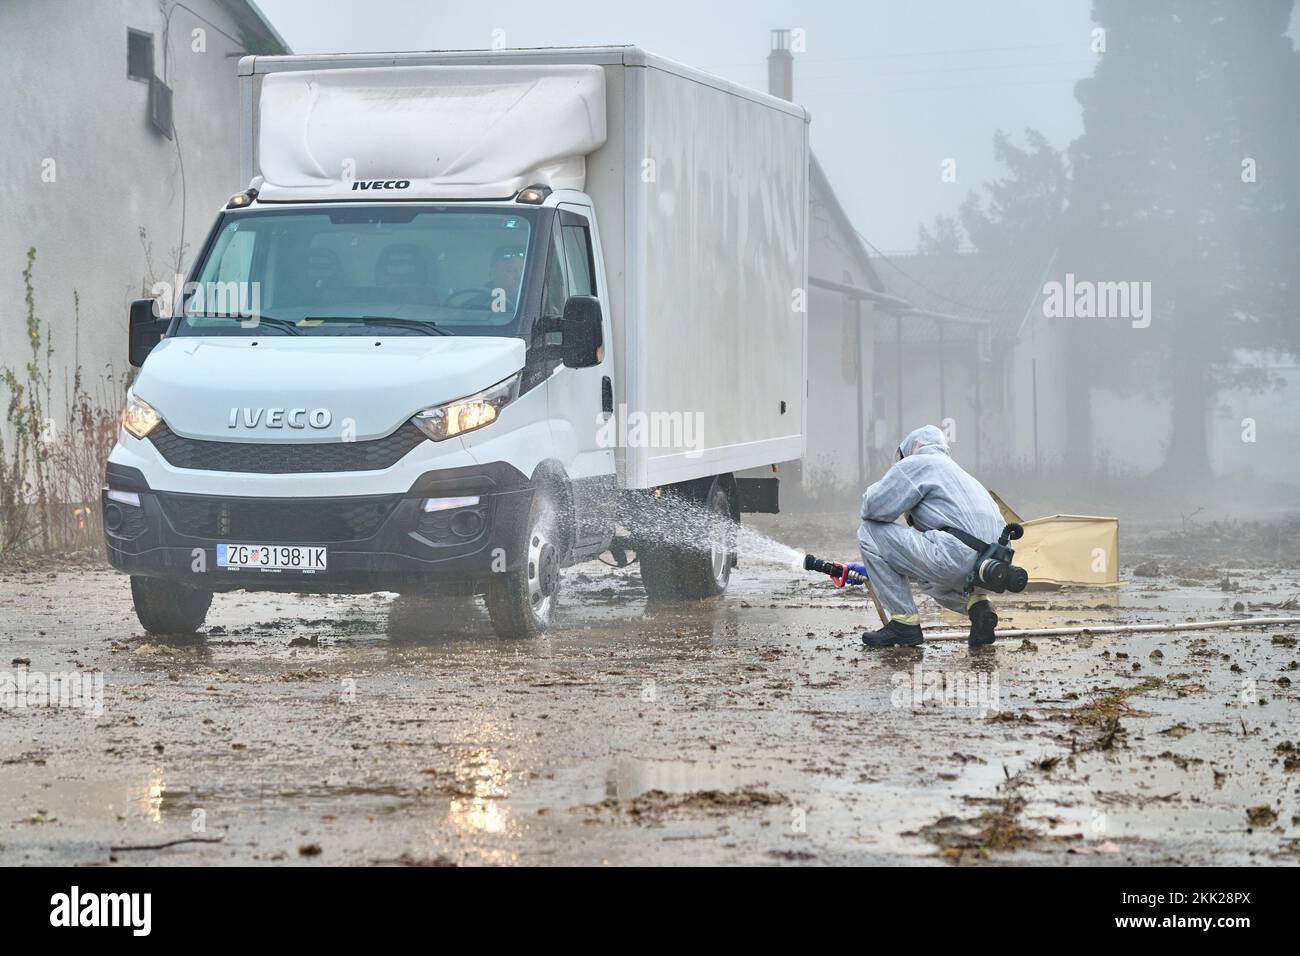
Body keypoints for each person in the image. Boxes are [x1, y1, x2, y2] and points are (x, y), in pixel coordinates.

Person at [857, 424, 1003, 648]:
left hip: (955, 558)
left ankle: (903, 623)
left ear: (913, 448)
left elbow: (873, 508)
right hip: (993, 567)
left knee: (869, 531)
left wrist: (887, 483)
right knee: (925, 577)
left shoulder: (916, 464)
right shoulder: (960, 473)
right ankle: (978, 606)